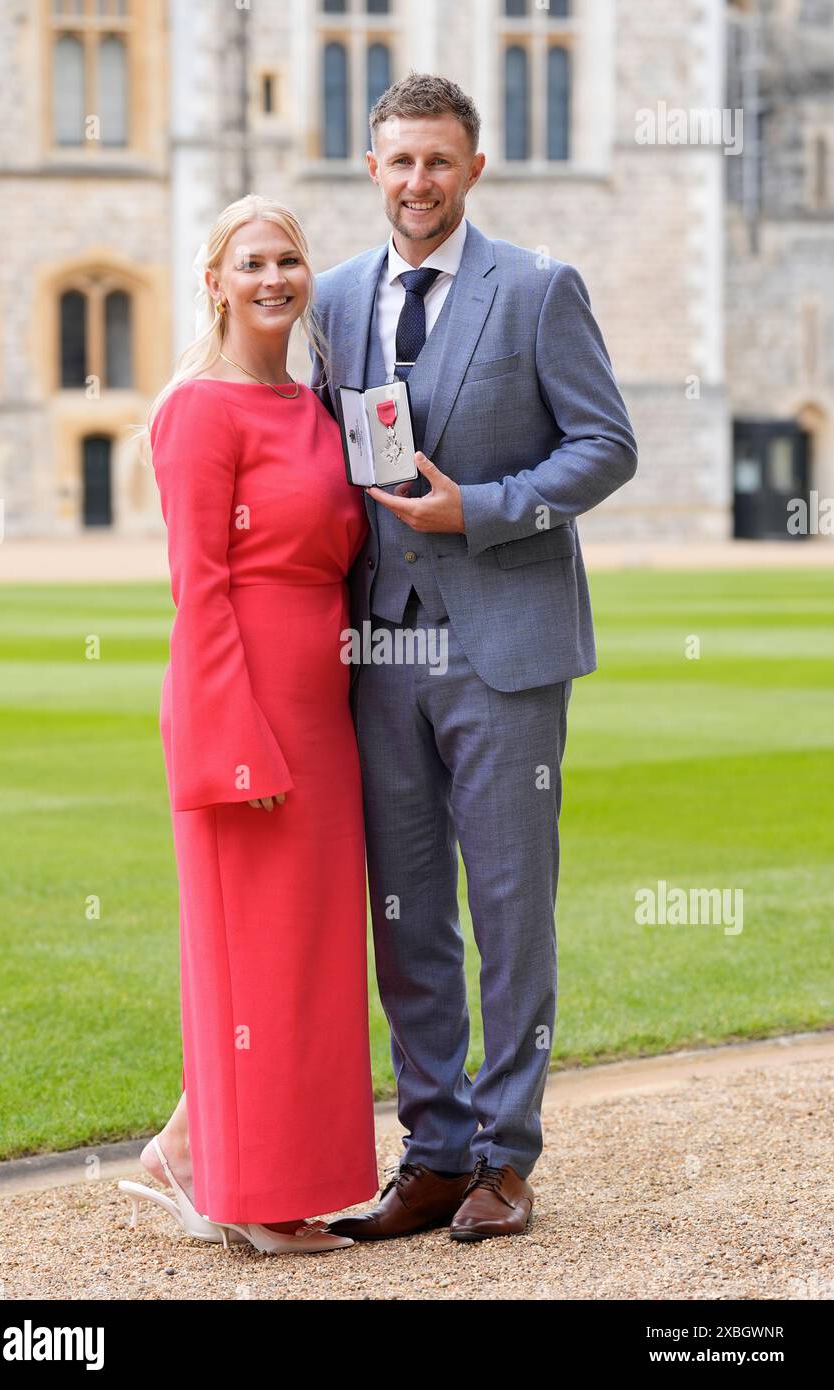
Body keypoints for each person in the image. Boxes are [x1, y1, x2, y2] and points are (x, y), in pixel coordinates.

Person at [309, 73, 638, 1242]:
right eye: (399, 160)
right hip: (378, 647)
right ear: (371, 167)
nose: (418, 181)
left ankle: (506, 1155)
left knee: (507, 909)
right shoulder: (332, 299)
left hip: (503, 643)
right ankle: (436, 1152)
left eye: (437, 160)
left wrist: (483, 509)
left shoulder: (538, 288)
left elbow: (605, 446)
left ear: (473, 168)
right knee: (406, 916)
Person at [118, 194, 378, 1257]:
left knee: (306, 956)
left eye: (289, 260)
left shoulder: (315, 407)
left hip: (324, 708)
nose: (273, 278)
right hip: (246, 707)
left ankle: (189, 1144)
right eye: (252, 262)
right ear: (215, 282)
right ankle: (254, 1194)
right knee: (256, 956)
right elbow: (200, 591)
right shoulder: (197, 411)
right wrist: (233, 744)